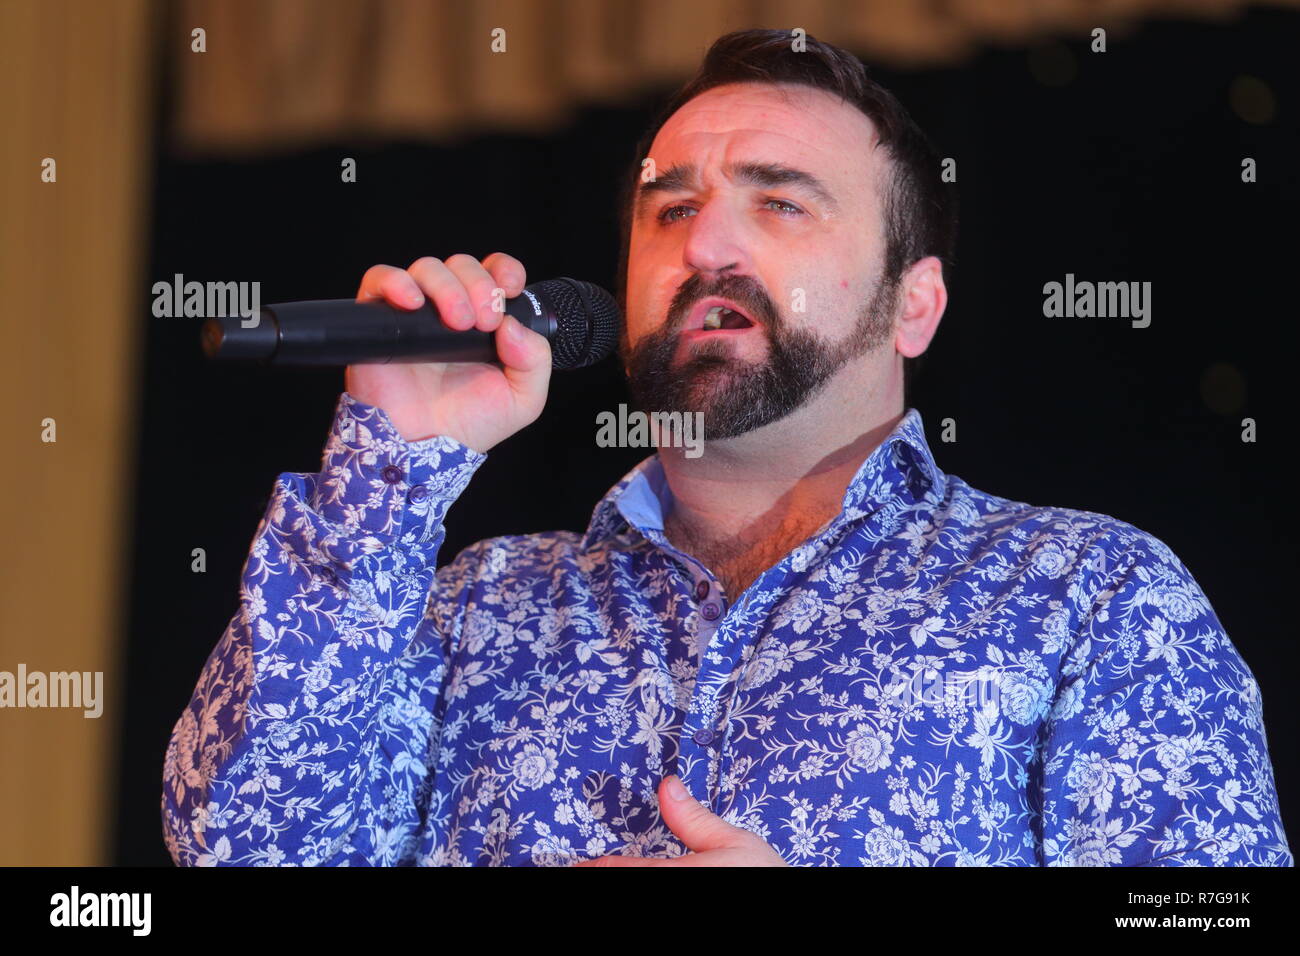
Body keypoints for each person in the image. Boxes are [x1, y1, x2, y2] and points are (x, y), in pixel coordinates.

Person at [162, 29, 1291, 867]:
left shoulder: (1088, 595)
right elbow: (235, 848)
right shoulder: (473, 611)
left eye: (782, 205)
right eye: (669, 208)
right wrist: (391, 465)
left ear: (915, 304)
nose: (705, 242)